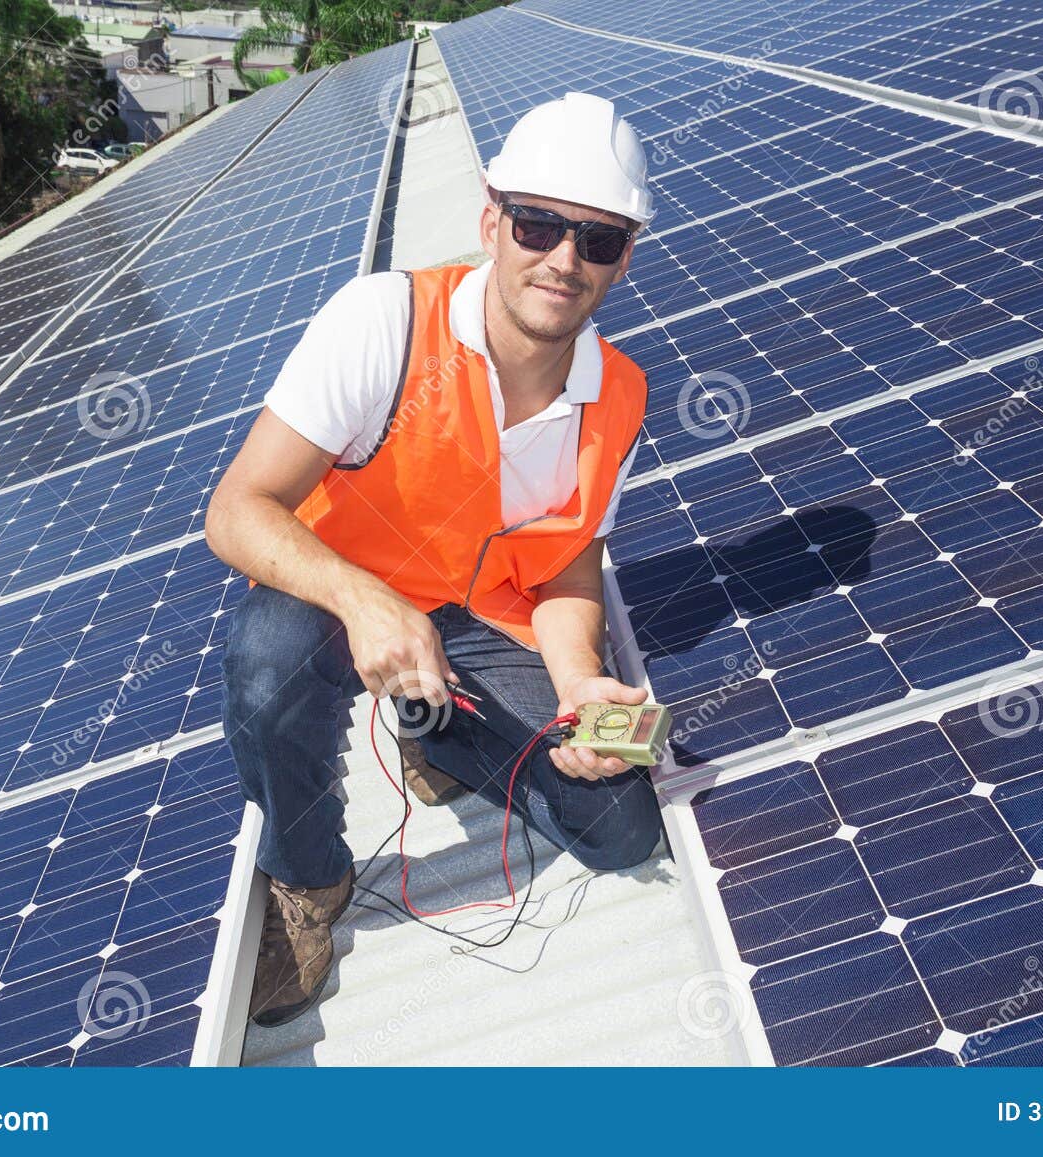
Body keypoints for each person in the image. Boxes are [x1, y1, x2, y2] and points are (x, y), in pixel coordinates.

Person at [207, 92, 665, 1027]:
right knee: (268, 664)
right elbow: (237, 510)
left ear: (625, 257)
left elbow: (572, 565)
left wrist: (578, 680)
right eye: (539, 224)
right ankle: (311, 882)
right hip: (335, 600)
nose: (564, 259)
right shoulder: (385, 321)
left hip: (474, 620)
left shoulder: (616, 393)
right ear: (492, 220)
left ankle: (438, 728)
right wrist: (367, 601)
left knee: (619, 831)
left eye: (599, 239)